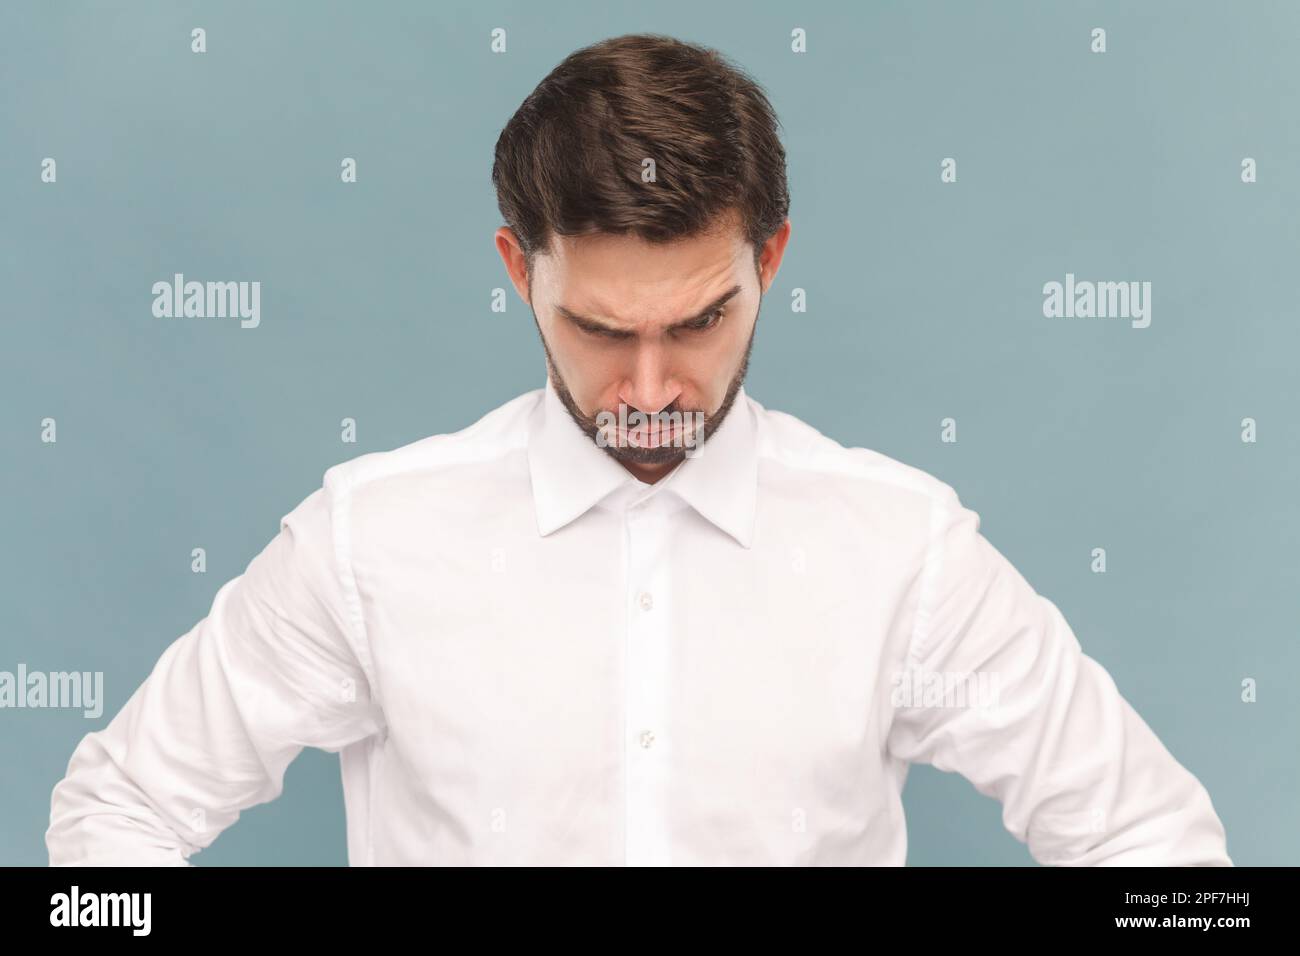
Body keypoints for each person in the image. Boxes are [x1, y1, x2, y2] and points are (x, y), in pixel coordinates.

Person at [47, 33, 1230, 866]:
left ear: (767, 265)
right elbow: (119, 816)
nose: (653, 388)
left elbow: (1158, 856)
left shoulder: (901, 550)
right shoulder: (370, 542)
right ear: (520, 270)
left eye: (701, 320)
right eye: (602, 330)